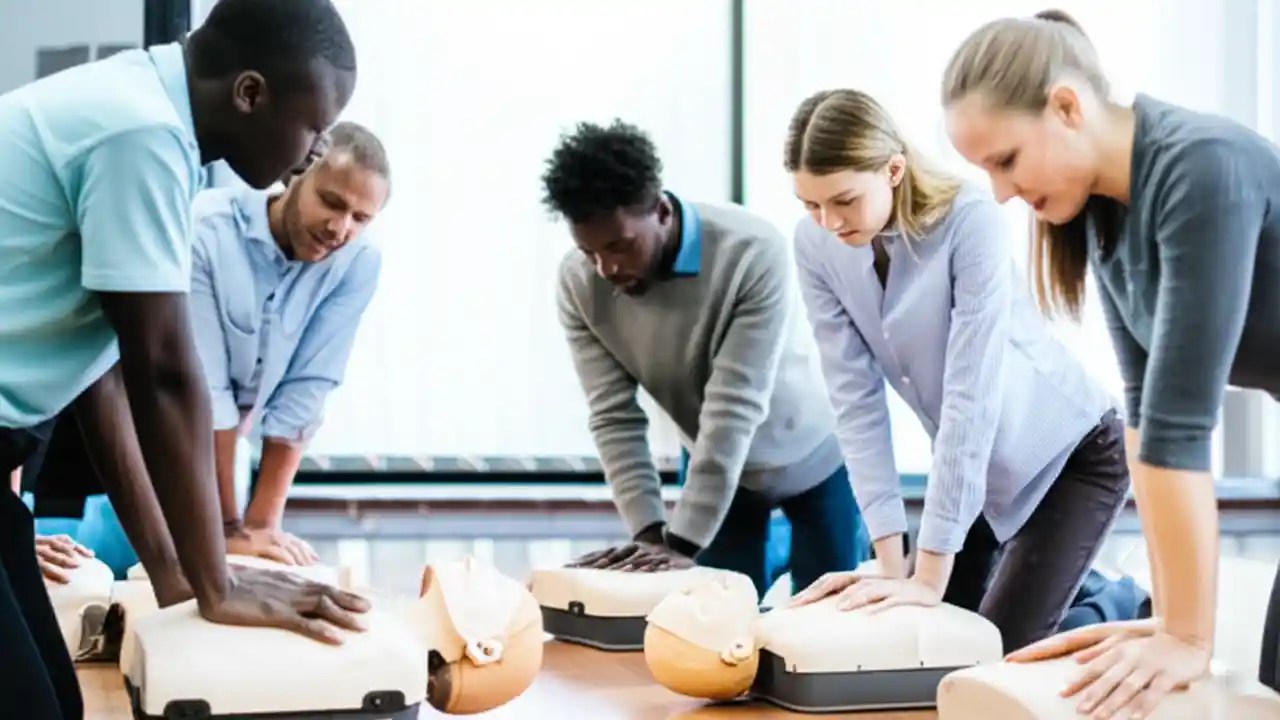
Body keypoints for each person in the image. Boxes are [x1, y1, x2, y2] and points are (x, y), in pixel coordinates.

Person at [0, 0, 371, 717]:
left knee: (54, 702)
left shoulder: (150, 119)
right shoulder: (142, 132)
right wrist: (217, 582)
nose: (315, 151)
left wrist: (178, 573)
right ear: (250, 93)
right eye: (313, 126)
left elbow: (104, 379)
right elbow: (164, 372)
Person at [940, 7, 1280, 718]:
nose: (1000, 193)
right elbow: (1144, 416)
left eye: (1006, 160)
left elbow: (1181, 427)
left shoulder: (1201, 168)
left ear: (1067, 107)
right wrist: (1170, 622)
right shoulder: (1106, 213)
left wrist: (1188, 635)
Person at [783, 88, 1142, 655]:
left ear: (893, 170)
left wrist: (927, 578)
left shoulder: (969, 220)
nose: (828, 221)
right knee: (930, 648)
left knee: (995, 653)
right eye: (810, 204)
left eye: (844, 200)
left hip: (1071, 456)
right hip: (977, 473)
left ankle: (1119, 604)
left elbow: (969, 397)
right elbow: (855, 402)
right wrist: (891, 565)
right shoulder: (815, 246)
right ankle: (1070, 588)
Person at [544, 119, 871, 599]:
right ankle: (767, 558)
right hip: (715, 467)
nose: (606, 267)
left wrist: (682, 543)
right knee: (717, 612)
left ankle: (782, 554)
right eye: (588, 251)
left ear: (660, 210)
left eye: (619, 245)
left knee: (829, 610)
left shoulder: (751, 250)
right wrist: (649, 537)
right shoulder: (579, 282)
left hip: (814, 451)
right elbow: (613, 417)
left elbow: (733, 405)